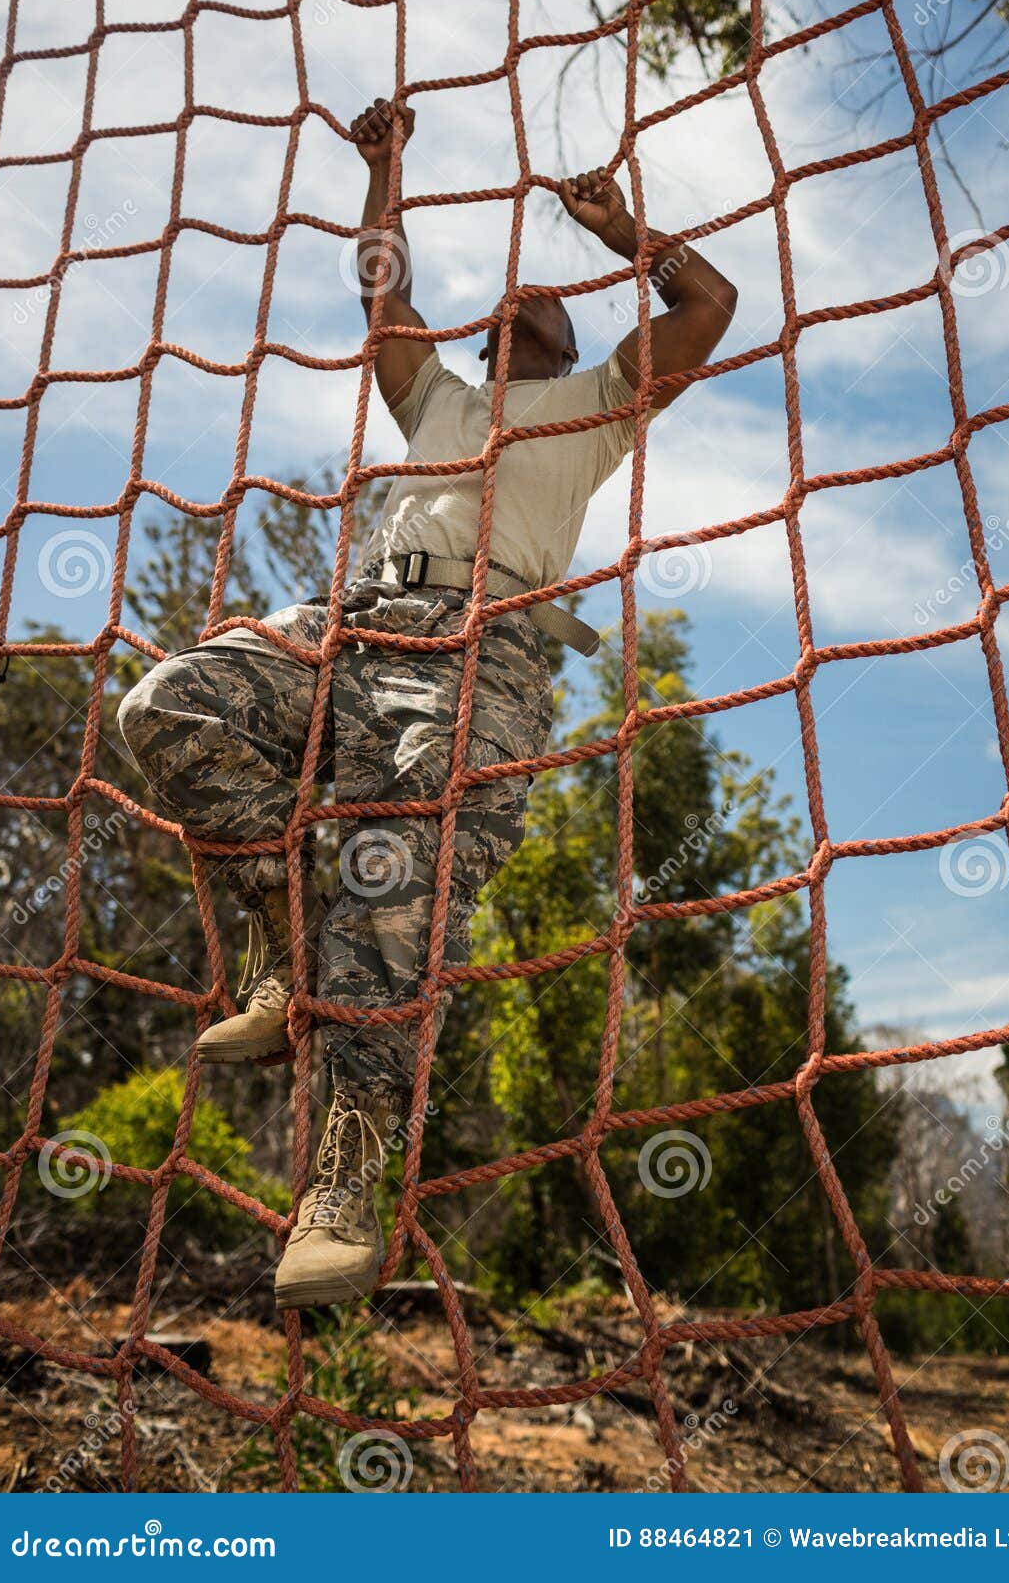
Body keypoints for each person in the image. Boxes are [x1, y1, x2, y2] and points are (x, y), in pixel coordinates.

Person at [117, 98, 737, 1309]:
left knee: (399, 865)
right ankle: (283, 929)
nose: (518, 295)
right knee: (166, 707)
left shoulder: (597, 404)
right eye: (504, 296)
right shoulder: (439, 401)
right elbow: (382, 294)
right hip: (350, 623)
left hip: (475, 649)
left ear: (562, 340)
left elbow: (707, 310)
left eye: (543, 298)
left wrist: (625, 235)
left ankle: (344, 1181)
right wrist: (386, 168)